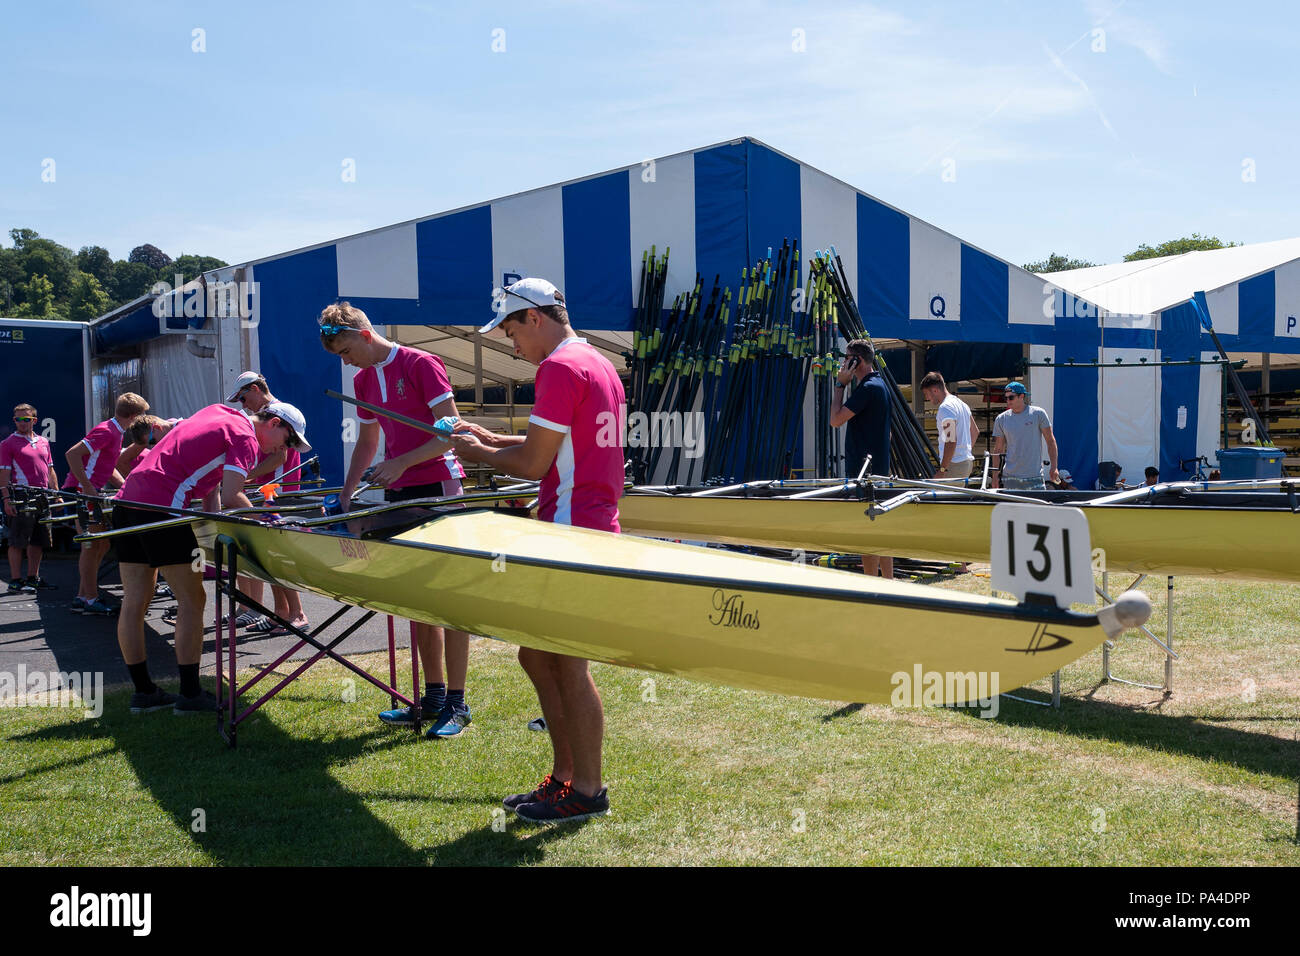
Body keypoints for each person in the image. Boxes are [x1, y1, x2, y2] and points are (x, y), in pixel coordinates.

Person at [451, 277, 621, 823]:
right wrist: (493, 438)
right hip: (584, 526)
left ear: (534, 318)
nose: (510, 345)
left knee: (568, 662)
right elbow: (554, 444)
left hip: (571, 532)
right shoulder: (595, 362)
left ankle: (587, 790)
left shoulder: (557, 369)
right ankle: (566, 778)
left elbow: (532, 466)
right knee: (537, 655)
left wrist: (478, 452)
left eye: (510, 330)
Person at [318, 302, 473, 738]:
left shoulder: (422, 363)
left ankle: (458, 706)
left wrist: (403, 463)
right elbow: (368, 440)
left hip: (438, 485)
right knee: (417, 598)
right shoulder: (365, 380)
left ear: (365, 336)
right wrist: (347, 493)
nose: (345, 363)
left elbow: (452, 430)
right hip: (398, 489)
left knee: (450, 599)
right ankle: (433, 700)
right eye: (339, 358)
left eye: (346, 352)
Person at [111, 401, 308, 714]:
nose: (283, 448)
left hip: (126, 505)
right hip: (163, 510)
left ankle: (144, 693)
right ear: (273, 423)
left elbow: (210, 485)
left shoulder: (218, 411)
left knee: (134, 602)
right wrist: (270, 522)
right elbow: (234, 494)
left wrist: (213, 526)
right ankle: (189, 695)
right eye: (287, 440)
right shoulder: (245, 436)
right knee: (193, 600)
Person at [226, 371, 309, 636]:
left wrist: (244, 477)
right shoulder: (270, 414)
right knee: (266, 553)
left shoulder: (275, 416)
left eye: (243, 397)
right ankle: (281, 612)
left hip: (274, 490)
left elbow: (279, 458)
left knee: (275, 553)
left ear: (255, 388)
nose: (243, 405)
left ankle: (296, 613)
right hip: (268, 489)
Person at [64, 392, 150, 615]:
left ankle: (83, 596)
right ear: (133, 416)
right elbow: (72, 454)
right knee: (91, 545)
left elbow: (107, 465)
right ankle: (89, 599)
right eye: (142, 416)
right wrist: (89, 487)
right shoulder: (106, 431)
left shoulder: (116, 432)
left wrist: (126, 486)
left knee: (101, 544)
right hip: (84, 492)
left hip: (90, 491)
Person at [830, 340, 893, 579]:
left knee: (868, 534)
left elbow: (835, 420)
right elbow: (888, 432)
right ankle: (889, 583)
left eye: (848, 358)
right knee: (880, 531)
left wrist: (839, 385)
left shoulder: (867, 388)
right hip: (877, 470)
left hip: (865, 473)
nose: (844, 363)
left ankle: (871, 587)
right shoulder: (880, 386)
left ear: (857, 360)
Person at [1, 403, 60, 593]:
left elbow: (50, 469)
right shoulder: (8, 443)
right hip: (21, 495)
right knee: (17, 540)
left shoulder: (43, 441)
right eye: (18, 419)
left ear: (34, 421)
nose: (22, 423)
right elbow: (3, 475)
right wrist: (7, 499)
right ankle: (16, 580)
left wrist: (56, 493)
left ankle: (33, 578)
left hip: (42, 495)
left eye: (26, 419)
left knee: (39, 540)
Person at [991, 381, 1059, 491]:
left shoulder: (1038, 413)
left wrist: (1054, 467)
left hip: (1034, 476)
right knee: (1012, 508)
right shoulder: (1001, 419)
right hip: (1010, 477)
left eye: (1011, 397)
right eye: (1006, 398)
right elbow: (998, 449)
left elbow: (1050, 441)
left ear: (1022, 396)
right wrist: (995, 476)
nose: (1008, 401)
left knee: (1037, 508)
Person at [919, 371, 979, 480]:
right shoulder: (962, 404)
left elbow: (951, 440)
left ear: (935, 390)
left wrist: (943, 469)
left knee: (945, 497)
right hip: (965, 462)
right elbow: (975, 431)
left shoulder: (945, 408)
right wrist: (964, 452)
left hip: (953, 465)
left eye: (926, 394)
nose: (927, 398)